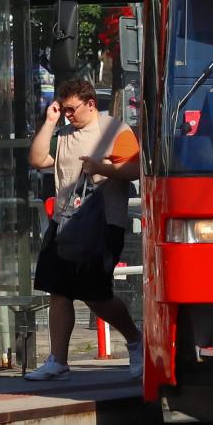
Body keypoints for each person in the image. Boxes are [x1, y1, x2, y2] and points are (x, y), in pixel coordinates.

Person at [23, 76, 141, 382]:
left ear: (91, 104)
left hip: (102, 225)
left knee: (96, 295)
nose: (67, 115)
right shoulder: (63, 134)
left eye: (71, 109)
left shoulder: (114, 129)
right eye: (63, 109)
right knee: (59, 291)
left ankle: (134, 339)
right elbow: (37, 159)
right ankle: (58, 360)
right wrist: (50, 122)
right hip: (64, 223)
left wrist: (102, 168)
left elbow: (136, 168)